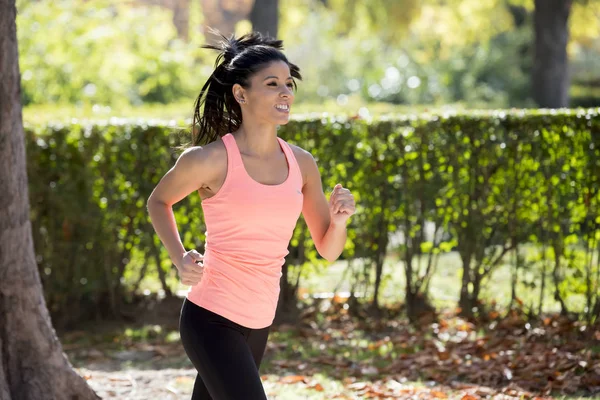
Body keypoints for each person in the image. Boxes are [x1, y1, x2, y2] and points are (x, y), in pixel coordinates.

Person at [147, 32, 356, 400]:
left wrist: (339, 221)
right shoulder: (210, 159)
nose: (285, 93)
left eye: (289, 84)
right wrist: (180, 257)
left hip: (259, 322)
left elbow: (328, 248)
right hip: (210, 317)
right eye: (272, 84)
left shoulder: (301, 163)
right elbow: (158, 202)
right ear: (241, 94)